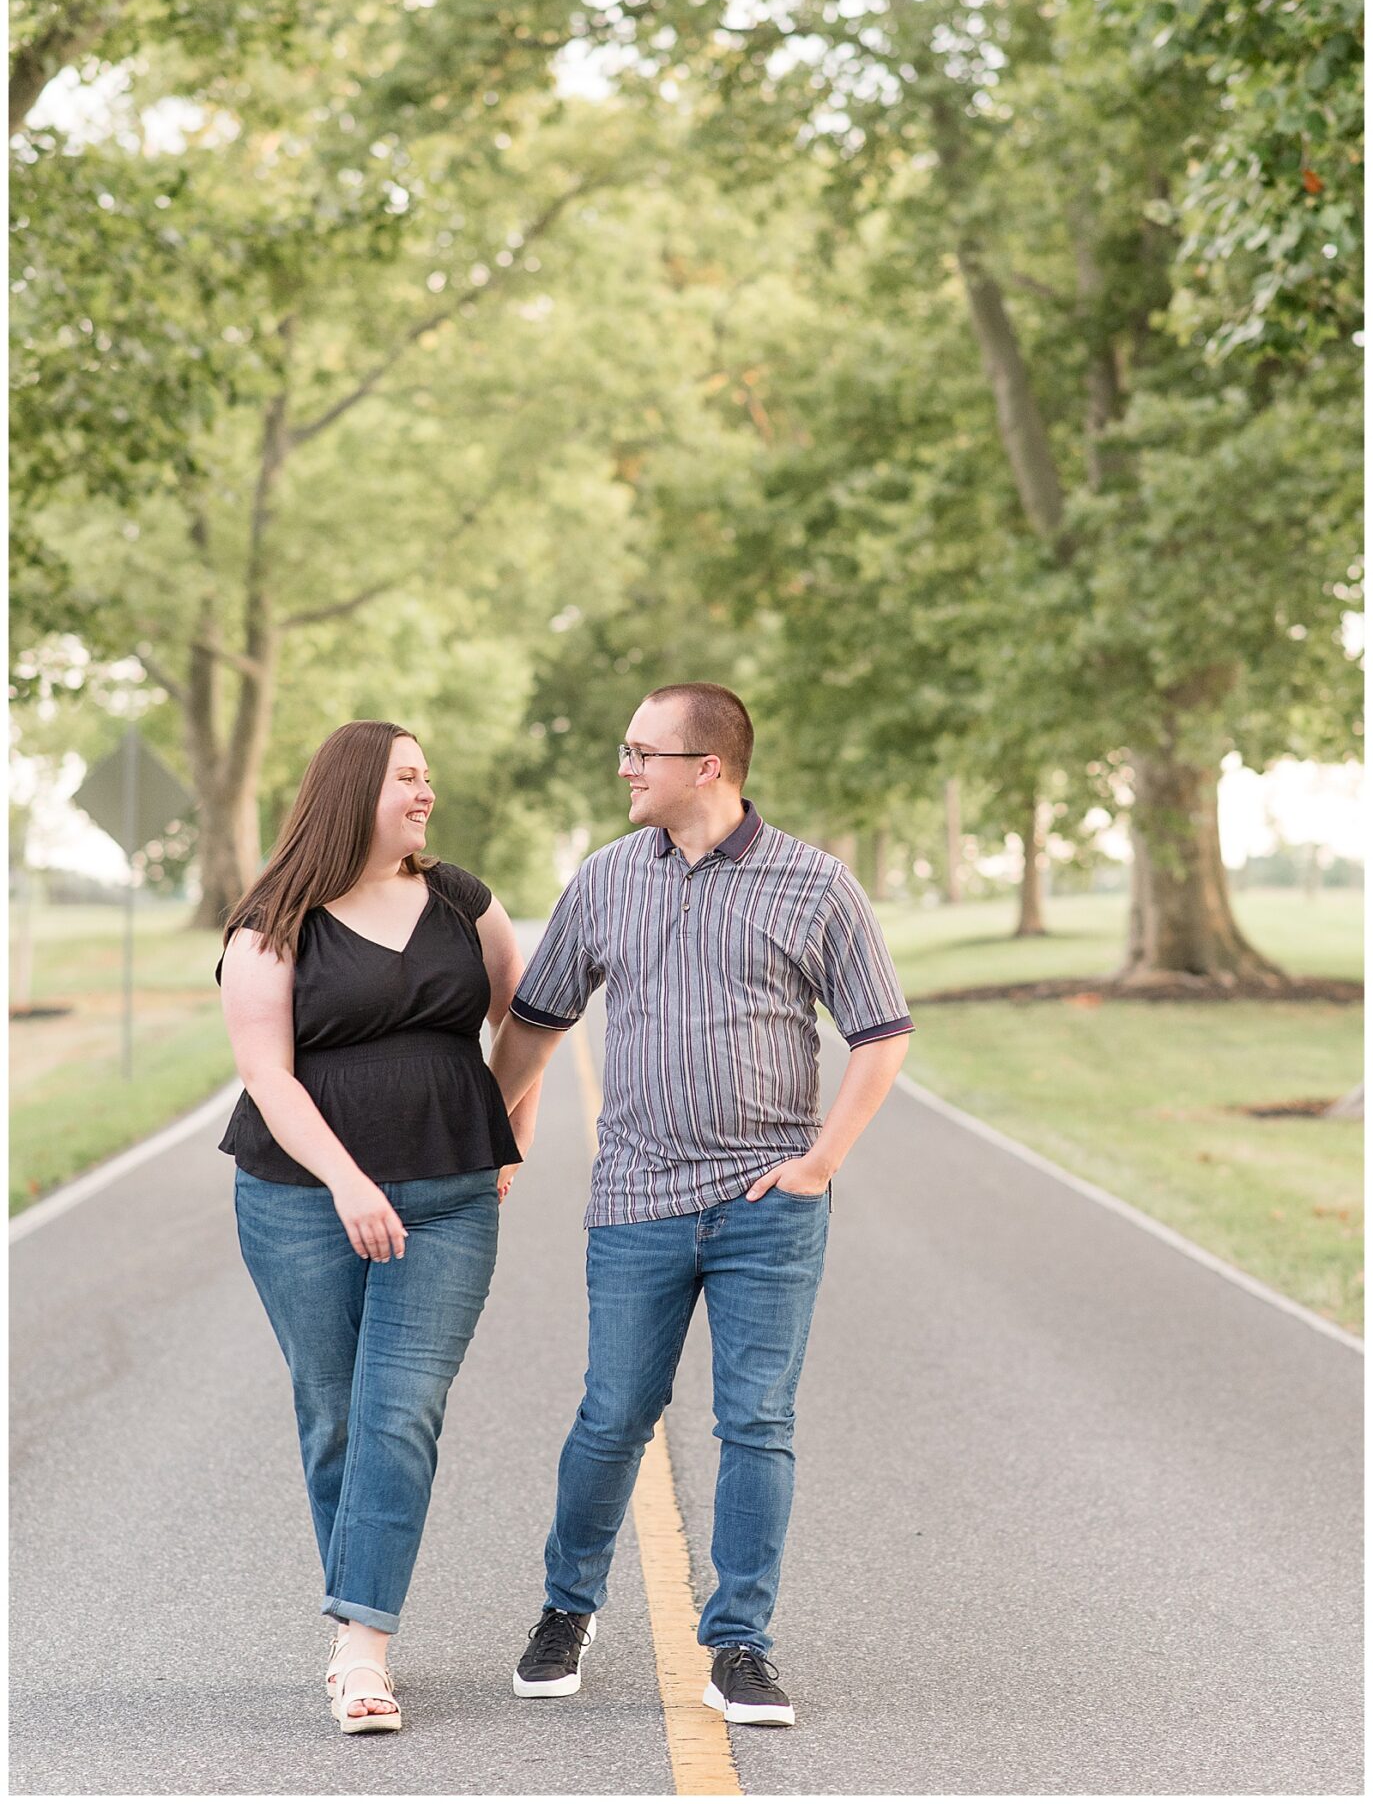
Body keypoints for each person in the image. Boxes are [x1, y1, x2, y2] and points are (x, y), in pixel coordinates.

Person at [490, 682, 911, 1728]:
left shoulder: (813, 884)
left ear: (707, 767)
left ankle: (739, 1644)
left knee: (756, 1420)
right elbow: (537, 1023)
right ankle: (564, 1608)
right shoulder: (601, 881)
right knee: (612, 1413)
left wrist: (817, 1163)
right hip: (634, 1198)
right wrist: (486, 1131)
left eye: (642, 750)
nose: (624, 766)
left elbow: (880, 1032)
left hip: (767, 1203)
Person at [217, 720, 534, 1734]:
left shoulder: (460, 899)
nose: (425, 789)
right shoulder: (271, 920)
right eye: (407, 774)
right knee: (337, 1414)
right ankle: (363, 1612)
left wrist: (508, 1135)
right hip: (301, 1200)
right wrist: (350, 1180)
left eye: (428, 775)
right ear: (355, 787)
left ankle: (360, 1648)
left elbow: (521, 1023)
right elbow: (265, 1071)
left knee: (400, 1408)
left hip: (446, 1193)